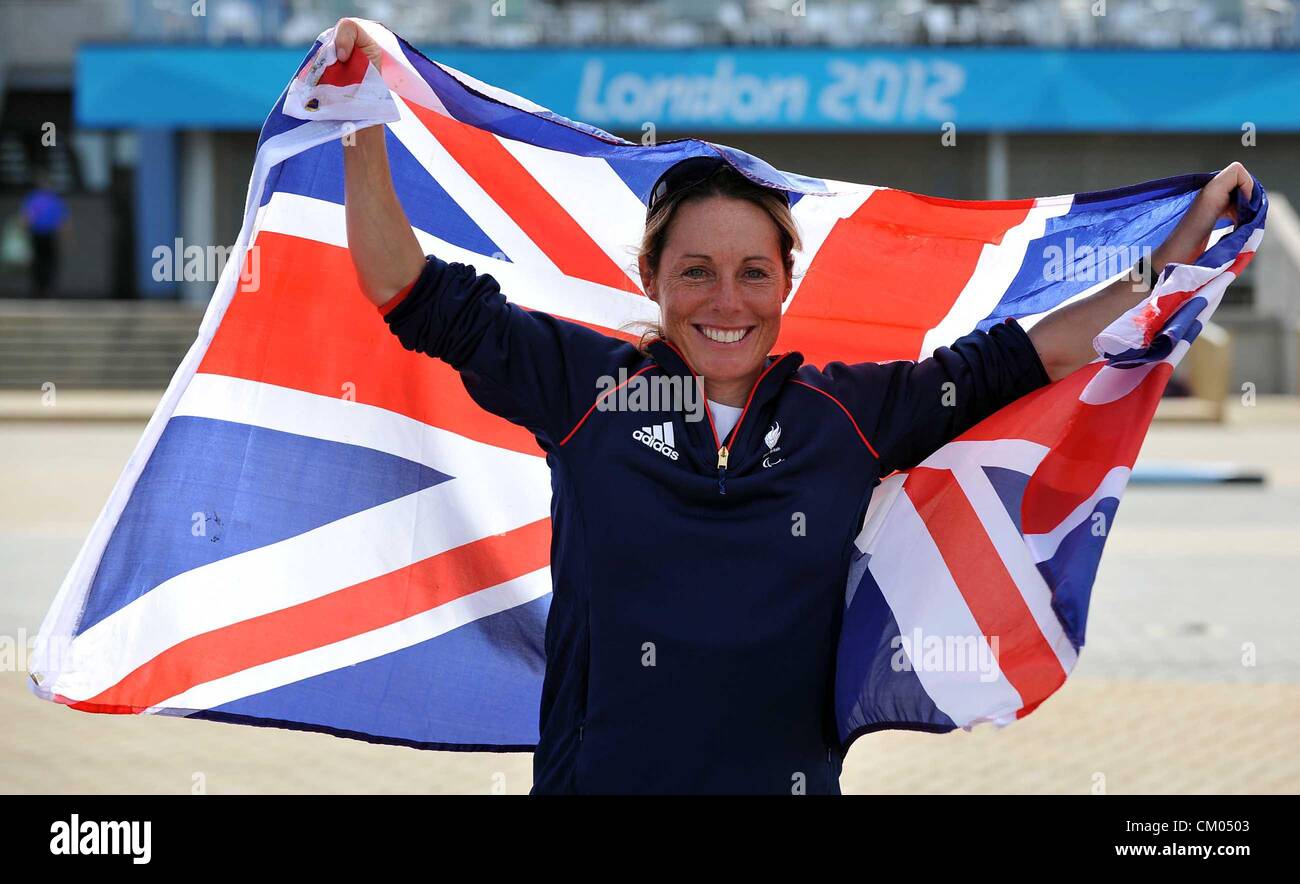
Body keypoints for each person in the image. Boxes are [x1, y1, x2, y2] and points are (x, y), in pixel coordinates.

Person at [333, 18, 1253, 795]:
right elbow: (404, 290)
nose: (724, 302)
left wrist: (1176, 253)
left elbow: (1036, 350)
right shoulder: (583, 386)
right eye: (694, 272)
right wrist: (362, 123)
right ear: (651, 278)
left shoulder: (849, 414)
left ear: (784, 284)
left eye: (751, 274)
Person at [21, 173, 68, 298]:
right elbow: (28, 217)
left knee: (45, 262)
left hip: (46, 234)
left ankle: (44, 289)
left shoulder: (51, 199)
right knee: (43, 262)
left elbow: (61, 221)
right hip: (40, 234)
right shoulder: (40, 198)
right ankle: (40, 289)